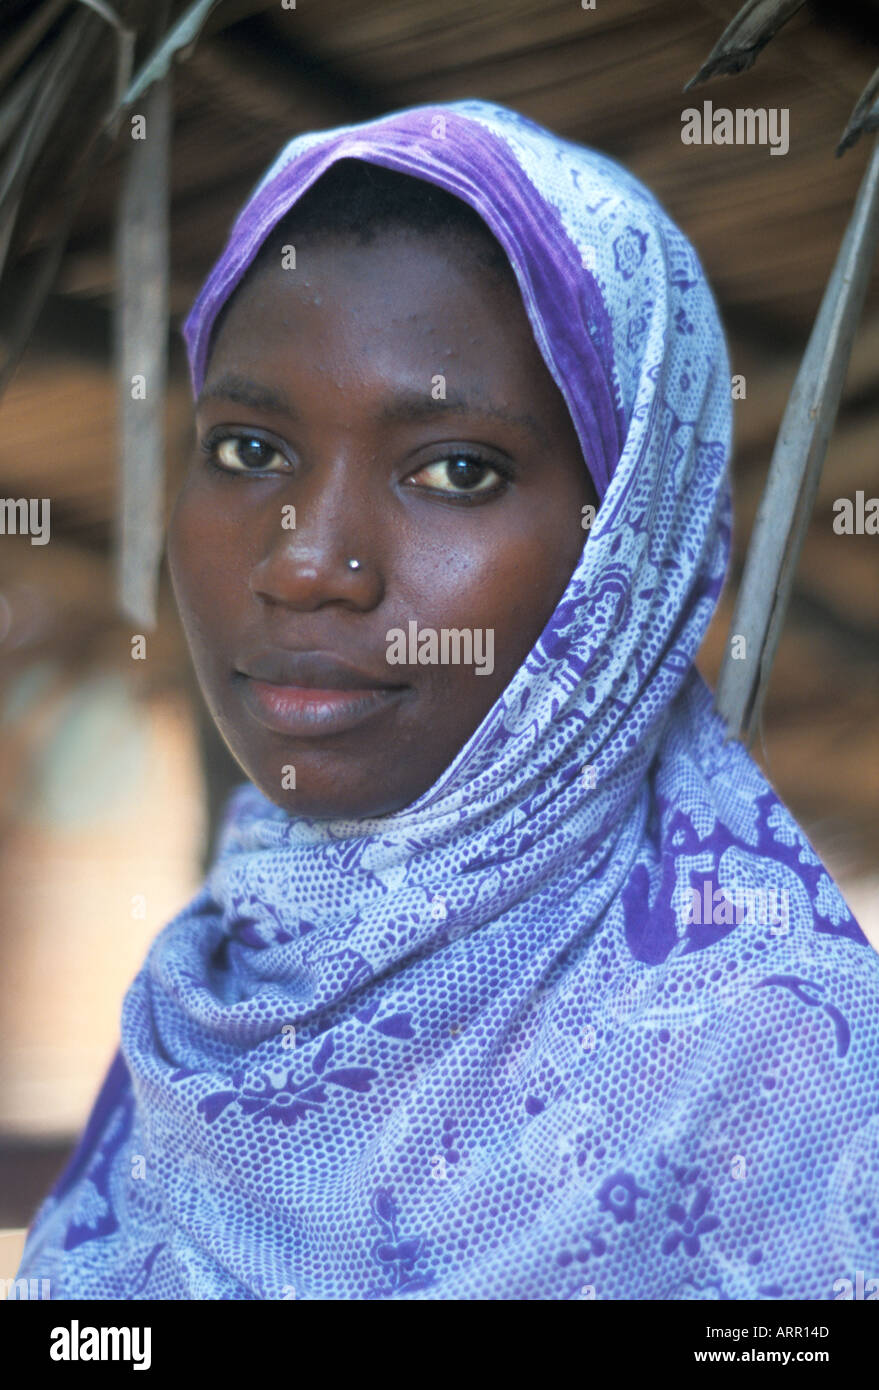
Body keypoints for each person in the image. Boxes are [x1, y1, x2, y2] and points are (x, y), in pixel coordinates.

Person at [14, 98, 879, 1300]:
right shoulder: (208, 994)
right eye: (250, 451)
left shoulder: (774, 1064)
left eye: (455, 470)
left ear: (626, 546)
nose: (306, 561)